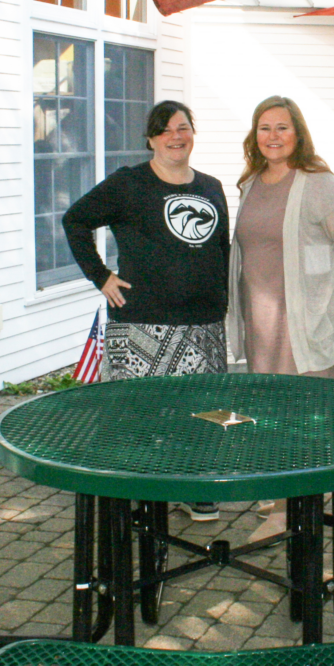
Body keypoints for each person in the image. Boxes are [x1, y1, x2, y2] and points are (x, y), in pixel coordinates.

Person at [63, 100, 230, 520]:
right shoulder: (129, 184)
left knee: (203, 411)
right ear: (152, 139)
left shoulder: (210, 186)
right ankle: (140, 489)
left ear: (194, 132)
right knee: (139, 413)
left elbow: (220, 249)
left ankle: (195, 486)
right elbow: (76, 220)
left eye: (183, 127)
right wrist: (100, 276)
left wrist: (221, 302)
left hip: (201, 324)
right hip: (142, 323)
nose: (176, 136)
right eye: (165, 130)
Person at [228, 96, 334, 540]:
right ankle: (284, 492)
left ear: (298, 134)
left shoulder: (317, 183)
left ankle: (287, 514)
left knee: (302, 413)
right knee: (270, 412)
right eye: (264, 127)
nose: (273, 136)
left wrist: (325, 281)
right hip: (261, 320)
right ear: (255, 135)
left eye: (282, 128)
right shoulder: (252, 182)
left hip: (301, 321)